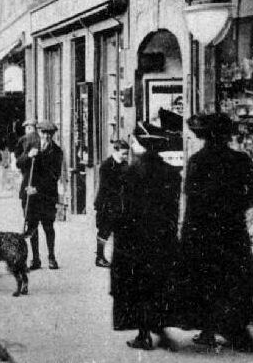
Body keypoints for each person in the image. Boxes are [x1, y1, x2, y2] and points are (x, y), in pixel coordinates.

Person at [168, 113, 253, 350]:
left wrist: (186, 234)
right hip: (232, 230)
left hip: (202, 232)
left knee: (205, 280)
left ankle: (210, 329)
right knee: (234, 279)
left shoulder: (197, 161)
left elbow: (191, 200)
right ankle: (236, 329)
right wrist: (238, 205)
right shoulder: (239, 159)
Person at [110, 134, 180, 350]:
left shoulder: (131, 172)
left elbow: (123, 209)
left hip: (134, 241)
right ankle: (160, 329)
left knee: (136, 287)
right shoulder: (171, 173)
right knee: (158, 285)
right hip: (162, 239)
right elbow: (174, 209)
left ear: (142, 147)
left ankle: (144, 334)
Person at [17, 121, 63, 270]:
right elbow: (19, 163)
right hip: (29, 194)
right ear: (39, 133)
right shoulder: (31, 146)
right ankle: (35, 259)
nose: (46, 136)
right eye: (44, 133)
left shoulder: (57, 152)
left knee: (48, 226)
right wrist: (28, 156)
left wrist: (37, 188)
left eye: (50, 134)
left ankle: (51, 257)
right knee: (32, 227)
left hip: (46, 195)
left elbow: (54, 175)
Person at [94, 140, 130, 268]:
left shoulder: (125, 165)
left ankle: (119, 259)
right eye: (124, 153)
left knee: (121, 230)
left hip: (119, 203)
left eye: (127, 154)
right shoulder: (106, 165)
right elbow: (106, 186)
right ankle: (99, 257)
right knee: (104, 231)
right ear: (116, 150)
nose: (125, 156)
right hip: (106, 203)